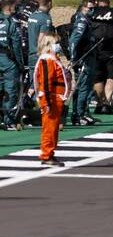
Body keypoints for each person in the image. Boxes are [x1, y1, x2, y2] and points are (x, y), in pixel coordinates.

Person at [34, 32, 71, 168]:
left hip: (56, 98)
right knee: (49, 128)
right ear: (49, 45)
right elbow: (46, 82)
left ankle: (50, 153)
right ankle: (46, 155)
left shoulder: (53, 59)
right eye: (57, 43)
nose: (59, 46)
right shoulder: (47, 60)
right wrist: (47, 102)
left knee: (54, 128)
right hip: (51, 98)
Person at [66, 0, 98, 127]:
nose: (92, 11)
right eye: (90, 8)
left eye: (93, 8)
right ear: (83, 8)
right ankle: (79, 115)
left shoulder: (86, 20)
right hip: (83, 59)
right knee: (83, 87)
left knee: (84, 87)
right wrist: (74, 58)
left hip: (86, 58)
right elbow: (73, 40)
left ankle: (82, 113)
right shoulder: (81, 21)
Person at [0, 0, 23, 130]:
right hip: (8, 61)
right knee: (11, 90)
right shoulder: (11, 23)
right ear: (9, 7)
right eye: (14, 6)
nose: (16, 8)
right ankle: (8, 120)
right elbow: (16, 45)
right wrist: (20, 63)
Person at [25, 0, 54, 78]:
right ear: (49, 3)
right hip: (39, 56)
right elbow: (42, 41)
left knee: (33, 82)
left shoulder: (32, 15)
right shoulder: (45, 19)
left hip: (31, 54)